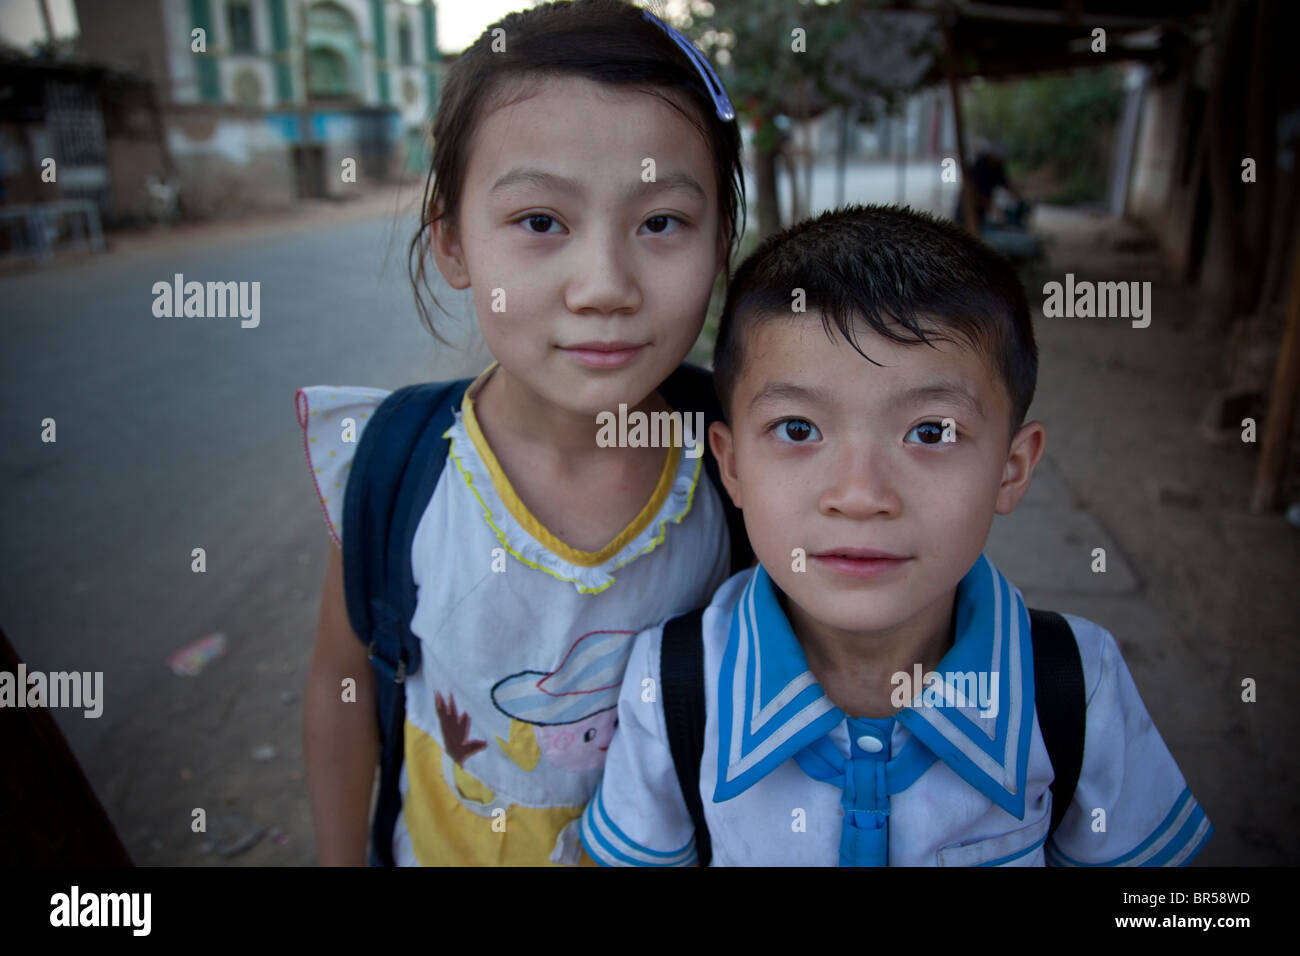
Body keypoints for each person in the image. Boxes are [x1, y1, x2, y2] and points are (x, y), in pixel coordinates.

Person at [581, 204, 1213, 866]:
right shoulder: (677, 687)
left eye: (932, 432)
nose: (860, 496)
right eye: (797, 429)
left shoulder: (1072, 687)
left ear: (1012, 468)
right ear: (732, 465)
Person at [297, 0, 746, 866]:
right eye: (541, 222)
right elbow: (340, 678)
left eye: (661, 223)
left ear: (721, 242)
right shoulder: (396, 468)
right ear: (454, 244)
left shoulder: (743, 461)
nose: (604, 285)